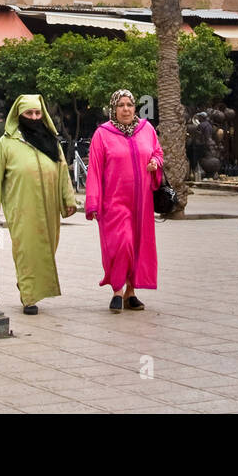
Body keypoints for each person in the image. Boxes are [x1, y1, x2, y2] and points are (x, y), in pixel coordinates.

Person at [0, 94, 77, 315]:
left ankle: (28, 285)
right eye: (29, 113)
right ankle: (29, 296)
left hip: (49, 207)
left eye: (37, 113)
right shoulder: (7, 143)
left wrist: (68, 200)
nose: (34, 117)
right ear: (19, 115)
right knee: (27, 250)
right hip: (21, 207)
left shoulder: (51, 141)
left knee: (47, 248)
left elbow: (62, 170)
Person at [85, 88, 164, 313]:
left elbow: (158, 153)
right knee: (123, 243)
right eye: (121, 105)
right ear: (113, 109)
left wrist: (155, 164)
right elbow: (95, 170)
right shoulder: (102, 134)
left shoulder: (146, 129)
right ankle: (117, 291)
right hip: (114, 202)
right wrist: (93, 202)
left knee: (138, 244)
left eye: (130, 105)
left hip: (142, 201)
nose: (126, 109)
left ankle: (130, 292)